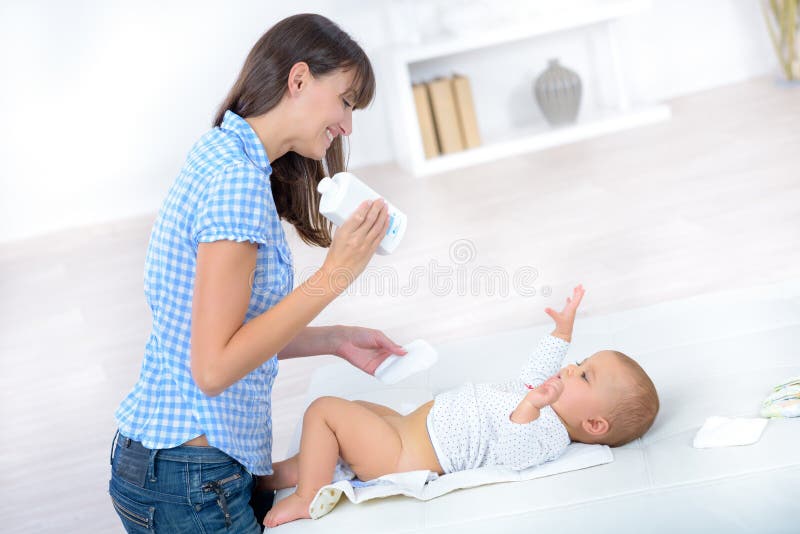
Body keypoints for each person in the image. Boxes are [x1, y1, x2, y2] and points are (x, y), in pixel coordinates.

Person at [108, 13, 407, 533]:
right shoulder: (237, 184)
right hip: (190, 479)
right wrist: (334, 276)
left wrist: (334, 340)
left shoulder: (222, 151)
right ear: (298, 80)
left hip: (166, 464)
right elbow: (214, 368)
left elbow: (216, 333)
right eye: (345, 100)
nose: (347, 124)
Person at [261, 285, 660, 528]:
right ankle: (285, 474)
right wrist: (562, 332)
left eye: (585, 376)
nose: (571, 369)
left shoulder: (548, 432)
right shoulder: (551, 401)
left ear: (593, 424)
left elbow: (512, 453)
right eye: (582, 362)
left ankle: (306, 496)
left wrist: (530, 407)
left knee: (325, 411)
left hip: (403, 455)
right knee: (355, 410)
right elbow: (539, 369)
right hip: (405, 430)